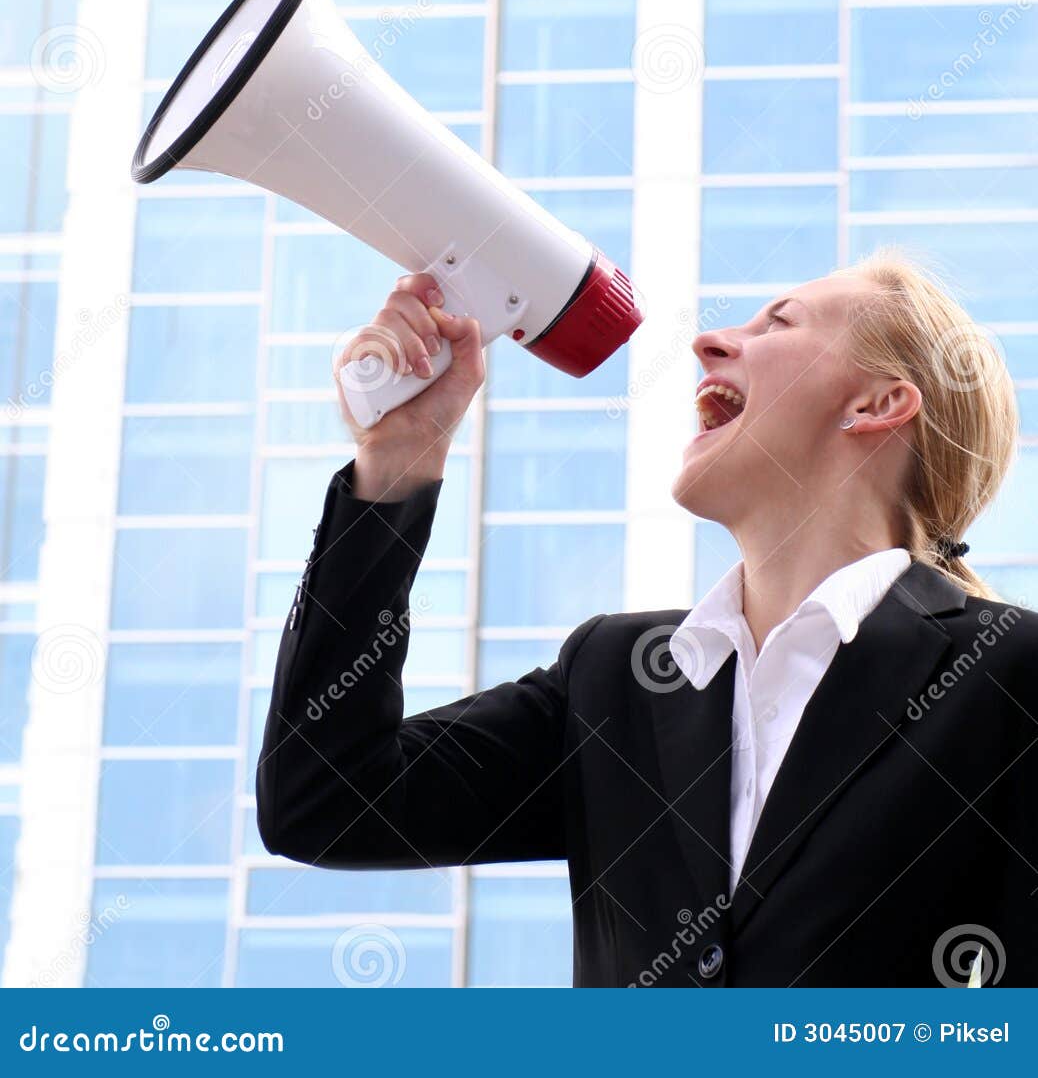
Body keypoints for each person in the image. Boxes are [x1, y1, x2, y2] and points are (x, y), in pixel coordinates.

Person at [256, 247, 1038, 987]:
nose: (707, 342)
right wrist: (396, 464)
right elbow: (324, 802)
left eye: (778, 322)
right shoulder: (612, 679)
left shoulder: (1007, 676)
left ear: (877, 403)